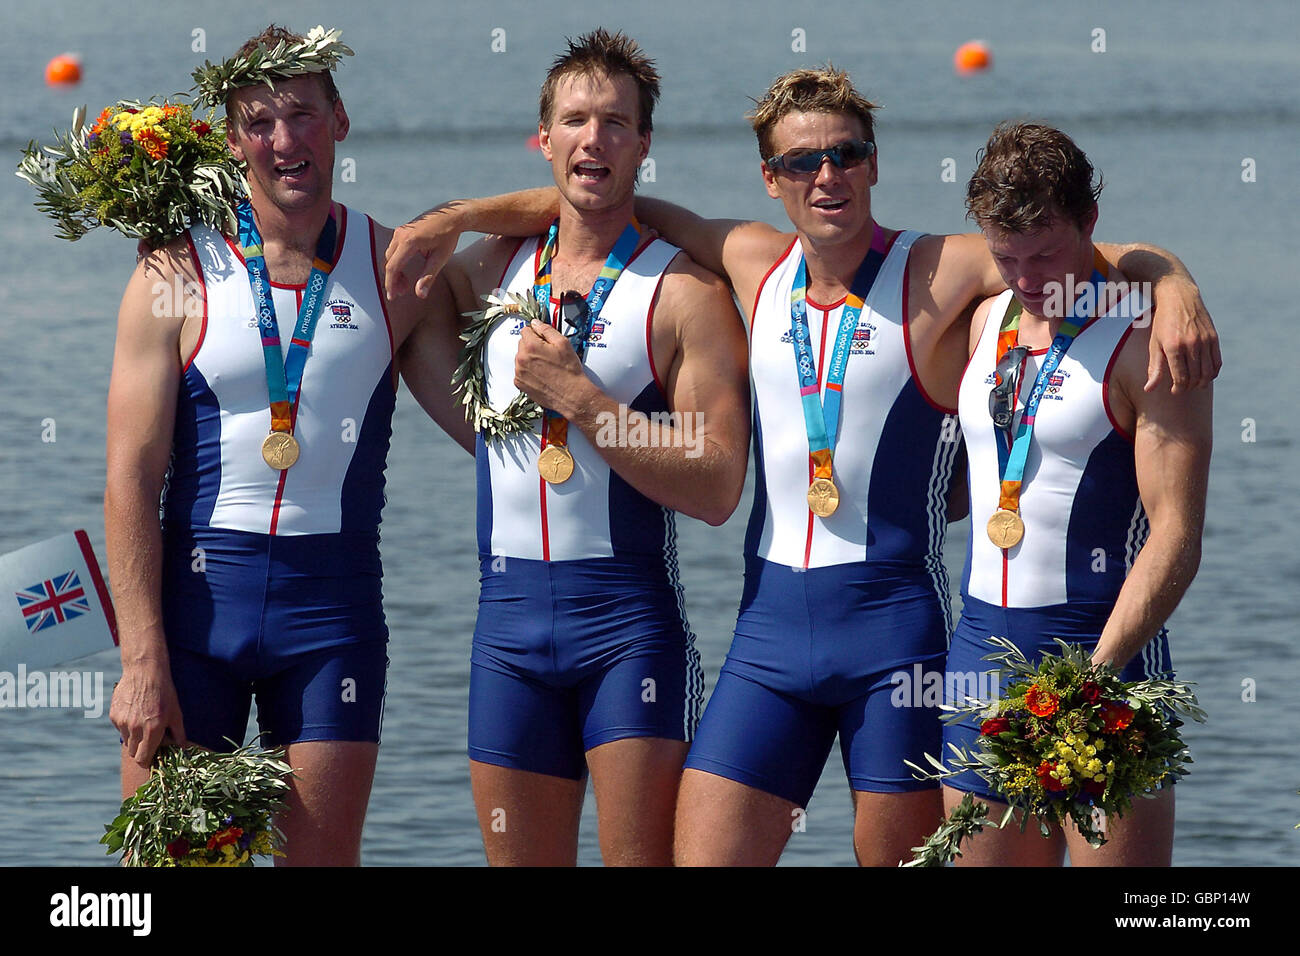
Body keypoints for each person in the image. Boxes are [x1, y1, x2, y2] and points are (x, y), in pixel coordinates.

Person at [386, 65, 1218, 867]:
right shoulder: (750, 260)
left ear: (874, 164)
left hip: (898, 639)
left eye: (846, 155)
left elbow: (1077, 251)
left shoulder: (945, 268)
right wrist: (457, 218)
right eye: (802, 161)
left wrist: (1170, 278)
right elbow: (597, 200)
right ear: (770, 178)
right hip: (769, 638)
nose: (828, 176)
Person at [105, 24, 478, 865]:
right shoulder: (173, 272)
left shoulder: (395, 269)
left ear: (339, 120)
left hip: (332, 620)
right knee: (170, 870)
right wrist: (141, 657)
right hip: (194, 615)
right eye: (261, 122)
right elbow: (130, 479)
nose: (285, 140)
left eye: (303, 114)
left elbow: (485, 434)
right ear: (233, 141)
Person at [400, 29, 750, 866]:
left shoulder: (684, 294)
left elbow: (714, 488)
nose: (595, 139)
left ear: (643, 146)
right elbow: (402, 312)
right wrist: (488, 440)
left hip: (628, 631)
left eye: (616, 123)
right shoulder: (490, 270)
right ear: (545, 139)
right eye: (576, 120)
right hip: (505, 634)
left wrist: (584, 405)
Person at [941, 122, 1212, 866]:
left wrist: (1088, 683)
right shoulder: (985, 319)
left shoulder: (1151, 342)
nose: (1028, 279)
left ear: (1090, 224)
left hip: (1105, 660)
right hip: (979, 660)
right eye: (1007, 257)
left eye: (1046, 255)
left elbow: (1178, 538)